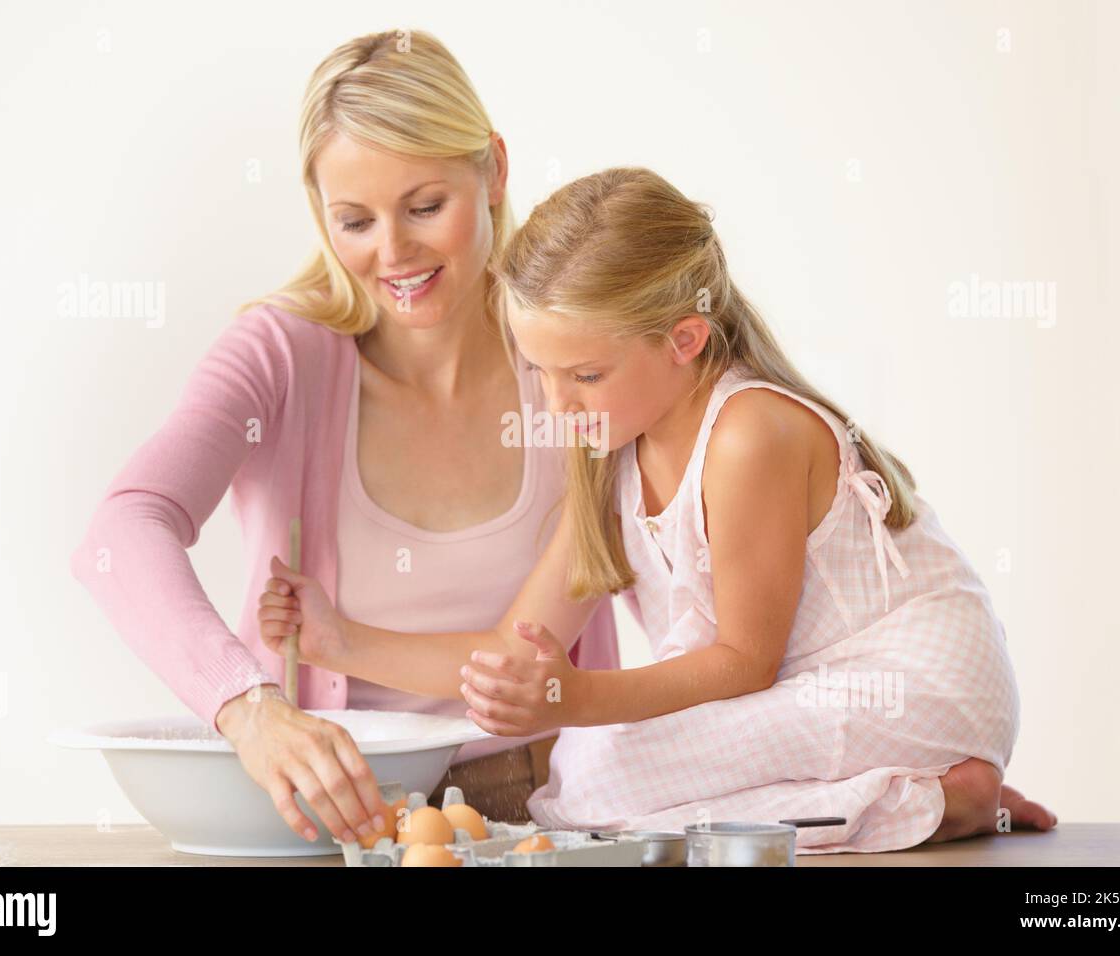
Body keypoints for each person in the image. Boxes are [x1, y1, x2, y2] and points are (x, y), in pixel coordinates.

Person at [260, 166, 1058, 852]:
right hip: (796, 694)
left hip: (909, 682)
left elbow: (744, 663)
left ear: (683, 340)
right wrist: (339, 641)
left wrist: (572, 698)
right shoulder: (616, 454)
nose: (555, 401)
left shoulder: (750, 434)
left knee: (596, 770)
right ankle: (905, 802)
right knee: (591, 773)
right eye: (538, 372)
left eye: (583, 375)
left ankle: (934, 796)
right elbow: (515, 645)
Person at [69, 29, 619, 846]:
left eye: (426, 207)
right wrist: (249, 708)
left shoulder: (569, 354)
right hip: (334, 815)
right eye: (354, 220)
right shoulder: (279, 355)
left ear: (495, 169)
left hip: (551, 805)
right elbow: (122, 529)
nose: (393, 254)